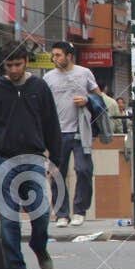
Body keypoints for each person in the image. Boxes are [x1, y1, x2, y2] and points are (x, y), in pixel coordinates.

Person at [0, 43, 62, 269]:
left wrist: (56, 160)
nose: (13, 70)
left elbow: (51, 124)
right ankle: (15, 266)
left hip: (34, 158)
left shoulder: (39, 87)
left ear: (26, 62)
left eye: (18, 64)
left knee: (42, 212)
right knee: (8, 217)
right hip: (3, 158)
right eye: (9, 65)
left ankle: (39, 245)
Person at [42, 41, 99, 225]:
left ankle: (80, 210)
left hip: (80, 131)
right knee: (58, 173)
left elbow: (100, 97)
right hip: (57, 133)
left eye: (58, 55)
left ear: (69, 56)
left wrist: (87, 100)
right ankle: (61, 214)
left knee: (84, 170)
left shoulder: (84, 73)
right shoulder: (48, 77)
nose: (55, 58)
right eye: (54, 55)